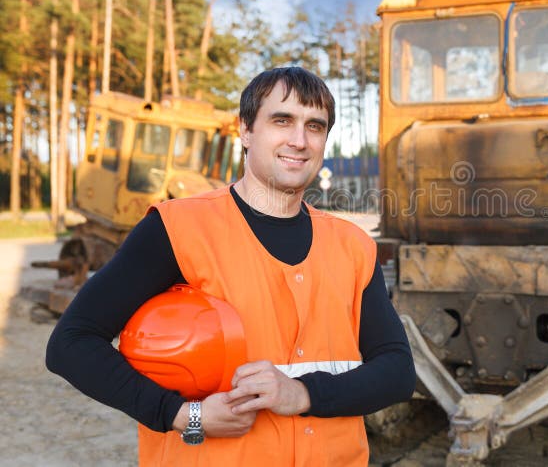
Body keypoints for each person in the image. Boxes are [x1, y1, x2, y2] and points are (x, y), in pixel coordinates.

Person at [46, 67, 416, 466]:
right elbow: (72, 344)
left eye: (315, 126)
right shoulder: (177, 229)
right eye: (282, 120)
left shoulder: (353, 247)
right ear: (245, 130)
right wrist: (186, 416)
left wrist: (302, 394)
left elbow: (397, 372)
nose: (299, 140)